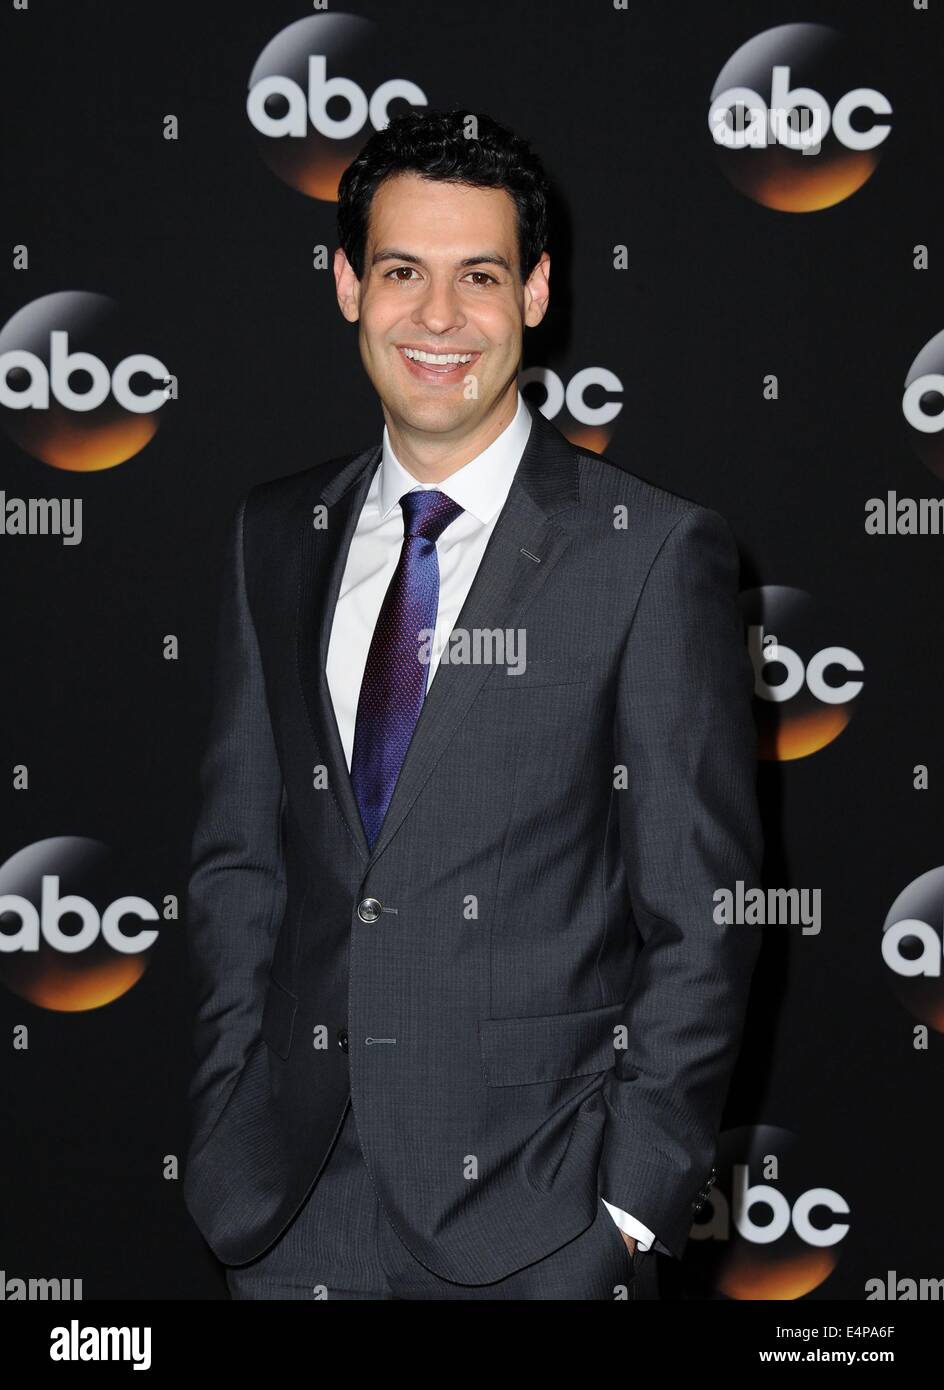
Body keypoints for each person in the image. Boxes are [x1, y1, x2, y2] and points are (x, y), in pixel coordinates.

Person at [182, 107, 763, 1300]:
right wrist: (229, 1112)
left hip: (539, 1223)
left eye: (478, 276)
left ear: (536, 292)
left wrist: (628, 1209)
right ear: (348, 285)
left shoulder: (647, 551)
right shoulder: (273, 534)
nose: (437, 318)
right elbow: (241, 864)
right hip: (291, 1216)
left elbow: (701, 913)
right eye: (401, 271)